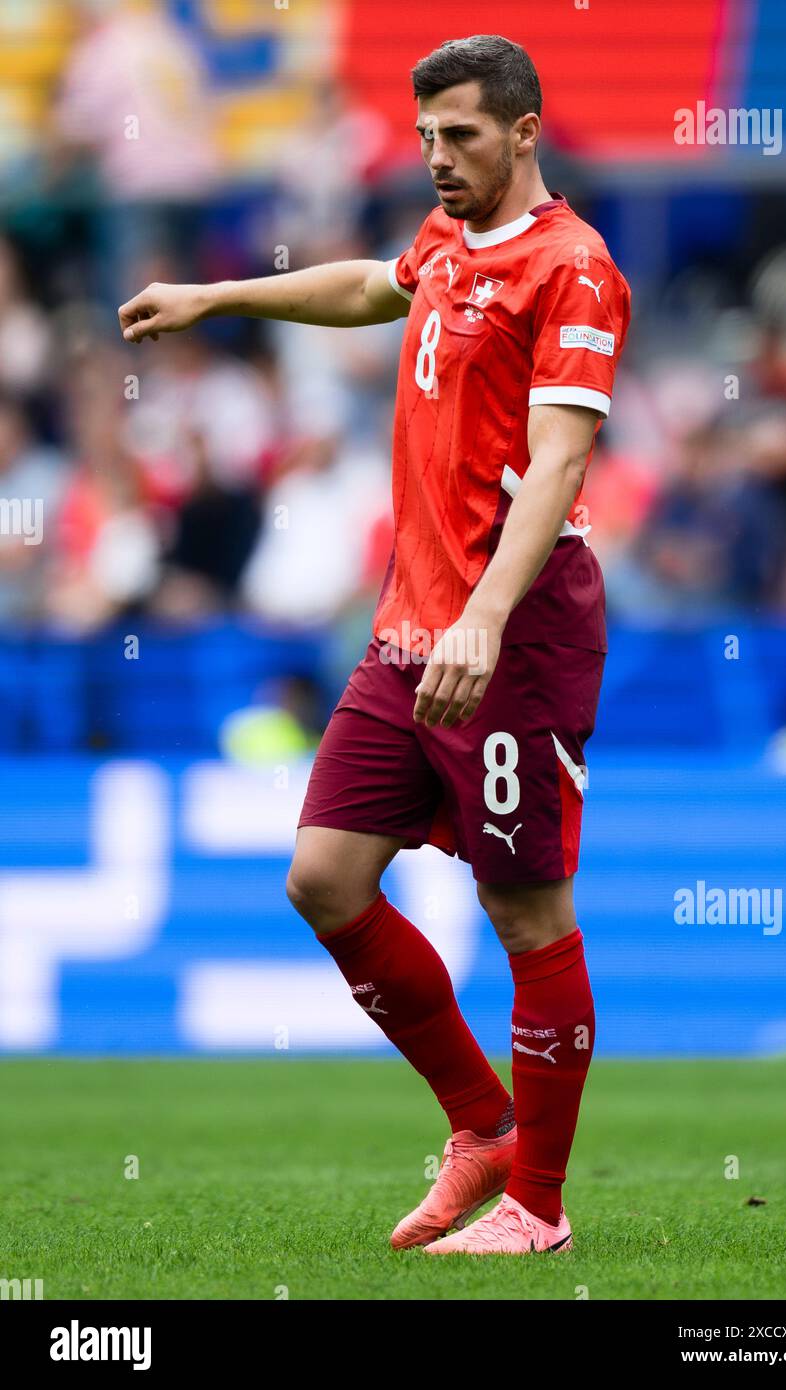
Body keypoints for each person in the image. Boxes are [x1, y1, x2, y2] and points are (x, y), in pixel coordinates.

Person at [118, 34, 631, 1257]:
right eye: (424, 138)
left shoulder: (574, 270)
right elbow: (369, 287)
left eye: (459, 136)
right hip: (407, 629)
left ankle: (538, 1210)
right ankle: (479, 1124)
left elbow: (558, 462)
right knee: (324, 876)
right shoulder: (448, 242)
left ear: (522, 129)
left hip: (510, 632)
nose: (437, 159)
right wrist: (216, 298)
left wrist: (484, 618)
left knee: (526, 913)